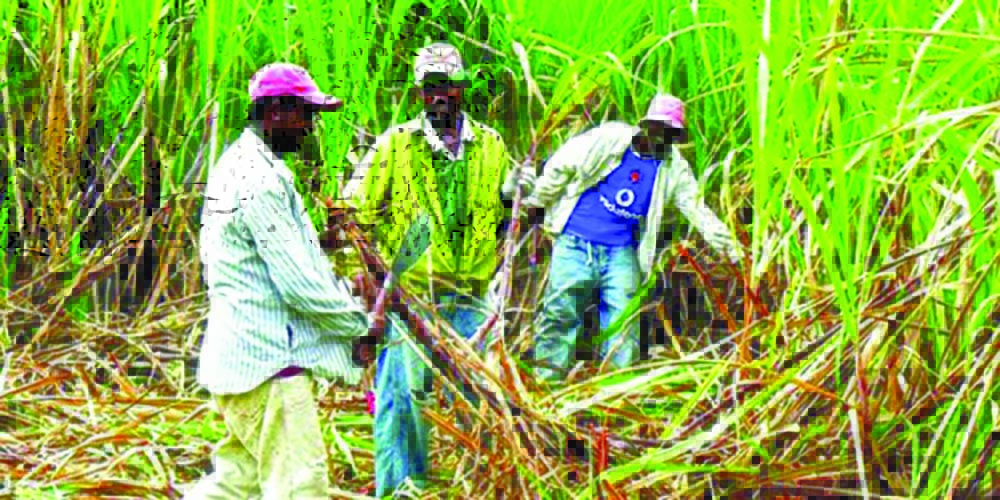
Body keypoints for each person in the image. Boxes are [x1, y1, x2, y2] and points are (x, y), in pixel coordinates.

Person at [336, 42, 532, 497]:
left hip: (471, 298)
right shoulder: (396, 145)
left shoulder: (490, 146)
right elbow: (351, 212)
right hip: (413, 299)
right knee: (403, 397)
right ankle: (403, 489)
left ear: (462, 89)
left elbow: (506, 214)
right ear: (420, 93)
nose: (440, 96)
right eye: (430, 88)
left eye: (447, 86)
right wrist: (358, 276)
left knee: (484, 395)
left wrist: (524, 202)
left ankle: (484, 482)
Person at [185, 62, 370, 499]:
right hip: (269, 365)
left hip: (240, 360)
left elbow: (277, 262)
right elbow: (299, 285)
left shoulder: (238, 164)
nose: (310, 127)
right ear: (276, 112)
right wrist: (358, 326)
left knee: (237, 484)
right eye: (306, 114)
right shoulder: (260, 180)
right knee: (298, 487)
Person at [523, 93, 742, 382]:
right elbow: (563, 164)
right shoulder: (610, 139)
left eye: (670, 133)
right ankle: (545, 384)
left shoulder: (673, 168)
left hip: (621, 251)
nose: (661, 137)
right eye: (658, 129)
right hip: (576, 240)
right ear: (645, 125)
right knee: (560, 313)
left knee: (624, 320)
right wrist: (536, 203)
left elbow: (698, 209)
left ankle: (613, 392)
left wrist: (733, 251)